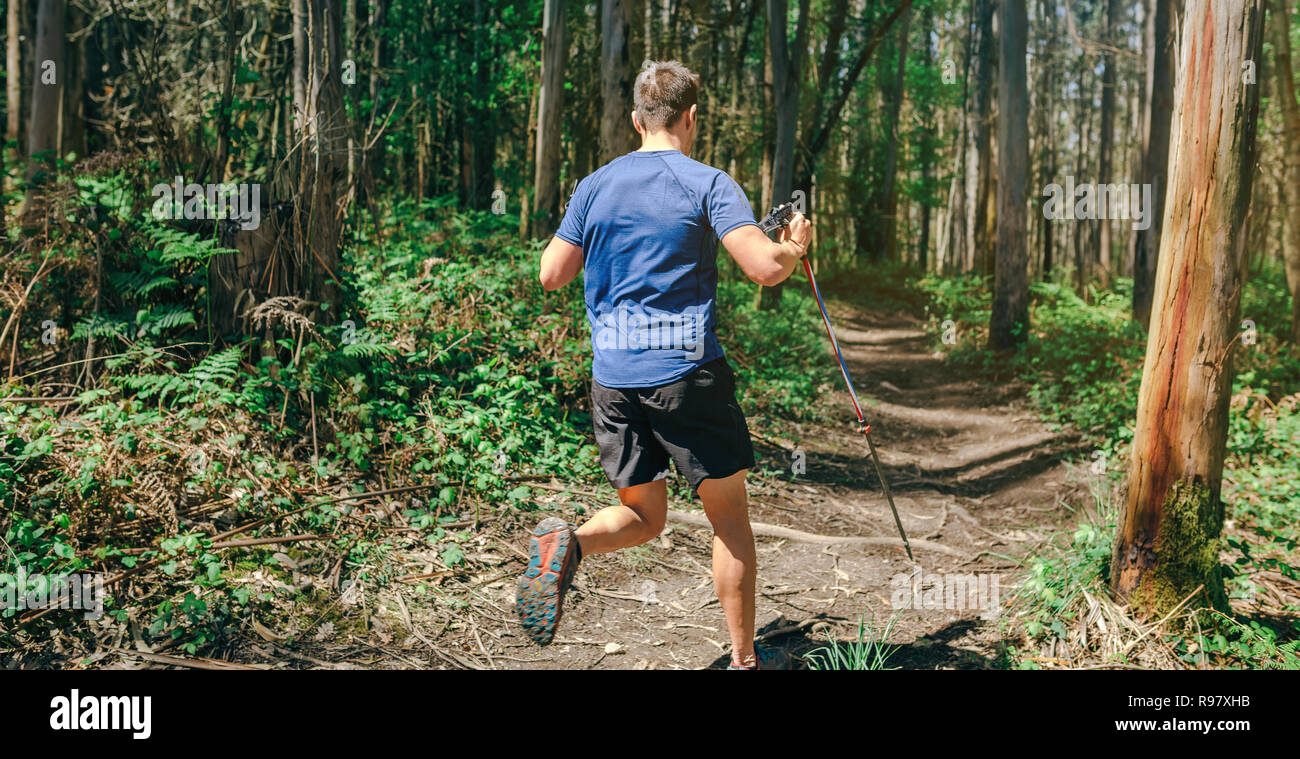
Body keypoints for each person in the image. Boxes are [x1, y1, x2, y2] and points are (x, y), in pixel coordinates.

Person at [515, 60, 811, 669]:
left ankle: (565, 544)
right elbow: (764, 268)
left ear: (635, 119)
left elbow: (550, 275)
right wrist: (794, 246)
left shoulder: (594, 185)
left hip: (614, 379)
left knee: (643, 516)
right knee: (729, 523)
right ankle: (743, 660)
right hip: (687, 377)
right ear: (691, 118)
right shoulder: (708, 182)